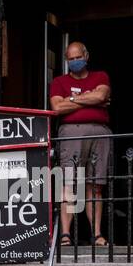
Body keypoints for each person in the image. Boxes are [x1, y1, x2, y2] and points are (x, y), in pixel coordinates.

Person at [50, 41, 112, 247]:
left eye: (78, 57)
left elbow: (102, 95)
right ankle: (65, 235)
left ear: (86, 56)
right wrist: (88, 97)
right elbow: (57, 108)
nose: (75, 61)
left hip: (99, 133)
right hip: (70, 132)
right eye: (71, 58)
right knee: (69, 183)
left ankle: (96, 234)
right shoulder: (58, 81)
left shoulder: (100, 76)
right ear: (66, 60)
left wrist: (73, 99)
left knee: (95, 186)